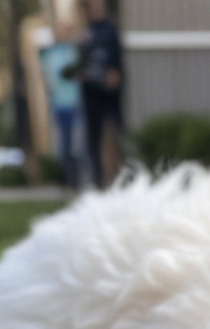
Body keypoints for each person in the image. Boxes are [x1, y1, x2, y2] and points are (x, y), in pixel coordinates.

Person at [75, 0, 122, 189]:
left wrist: (114, 73)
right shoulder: (83, 32)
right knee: (93, 137)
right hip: (90, 92)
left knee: (113, 132)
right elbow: (78, 62)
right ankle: (97, 177)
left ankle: (118, 175)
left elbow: (116, 63)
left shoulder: (110, 30)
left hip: (109, 94)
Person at [39, 25, 82, 189]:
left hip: (75, 103)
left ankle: (77, 178)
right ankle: (66, 177)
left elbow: (77, 71)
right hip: (59, 104)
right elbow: (50, 77)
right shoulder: (50, 54)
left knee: (76, 143)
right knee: (64, 142)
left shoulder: (73, 52)